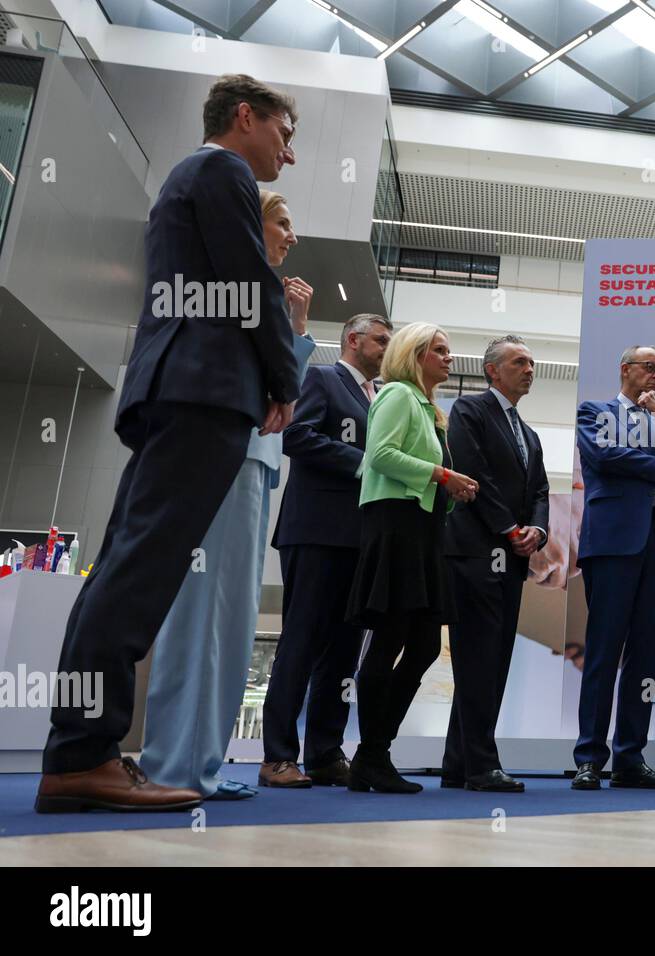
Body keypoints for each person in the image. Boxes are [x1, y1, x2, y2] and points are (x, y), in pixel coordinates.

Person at [36, 74, 301, 813]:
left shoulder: (192, 177)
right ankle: (83, 754)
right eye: (284, 133)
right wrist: (285, 379)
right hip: (203, 390)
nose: (289, 152)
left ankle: (80, 750)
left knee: (130, 565)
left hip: (180, 388)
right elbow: (249, 284)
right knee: (140, 571)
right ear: (244, 117)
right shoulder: (220, 170)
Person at [137, 190, 316, 801]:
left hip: (254, 463)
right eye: (282, 224)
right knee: (202, 611)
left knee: (233, 620)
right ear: (250, 224)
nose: (291, 237)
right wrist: (287, 329)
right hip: (225, 453)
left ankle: (202, 764)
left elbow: (281, 389)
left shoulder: (262, 293)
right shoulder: (228, 283)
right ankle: (174, 765)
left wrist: (294, 330)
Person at [258, 312, 393, 789]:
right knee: (301, 644)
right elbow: (297, 436)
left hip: (361, 540)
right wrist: (367, 465)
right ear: (353, 340)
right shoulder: (322, 378)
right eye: (380, 340)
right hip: (316, 532)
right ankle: (277, 755)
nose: (386, 347)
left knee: (342, 653)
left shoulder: (379, 397)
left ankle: (324, 752)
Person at [344, 323, 477, 794]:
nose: (449, 358)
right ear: (414, 354)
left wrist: (451, 489)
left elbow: (417, 471)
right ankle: (371, 757)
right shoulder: (398, 395)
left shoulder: (429, 409)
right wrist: (443, 474)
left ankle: (373, 753)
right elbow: (379, 455)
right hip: (396, 528)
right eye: (439, 350)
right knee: (389, 642)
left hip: (422, 531)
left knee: (420, 647)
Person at [571, 346, 655, 790]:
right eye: (650, 367)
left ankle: (630, 758)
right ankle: (589, 757)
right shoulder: (595, 411)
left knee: (645, 658)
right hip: (612, 544)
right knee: (604, 651)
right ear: (624, 368)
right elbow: (605, 456)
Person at [442, 335, 549, 793]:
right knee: (478, 660)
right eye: (519, 362)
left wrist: (537, 531)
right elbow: (474, 473)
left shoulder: (529, 433)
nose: (529, 369)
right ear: (492, 371)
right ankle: (482, 765)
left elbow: (541, 491)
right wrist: (509, 529)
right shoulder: (469, 411)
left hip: (512, 559)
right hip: (475, 552)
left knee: (493, 661)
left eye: (531, 362)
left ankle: (458, 763)